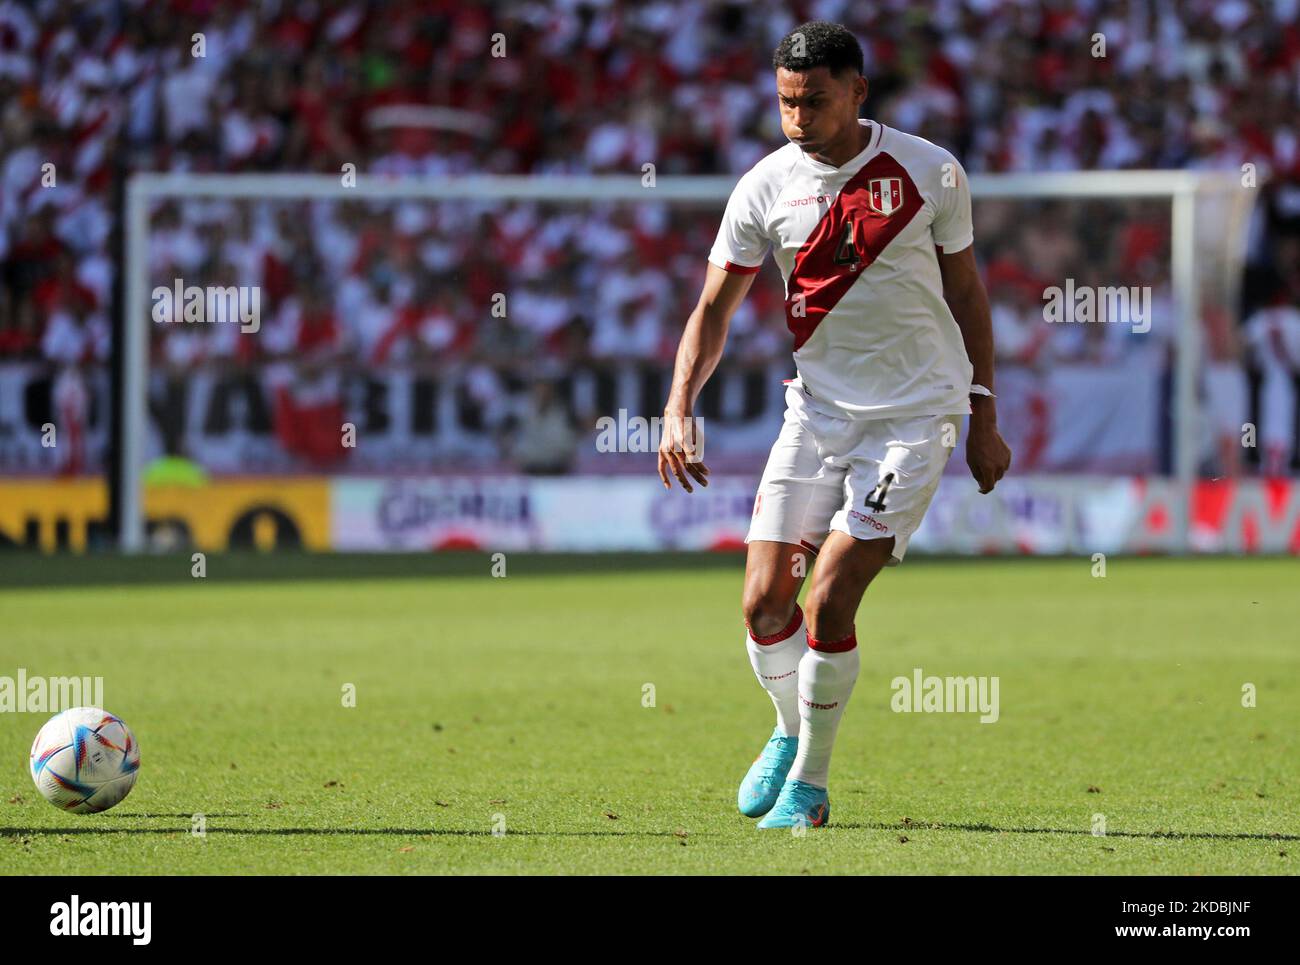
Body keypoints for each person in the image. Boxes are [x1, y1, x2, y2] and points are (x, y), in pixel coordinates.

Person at [657, 21, 1012, 829]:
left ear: (858, 91)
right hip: (816, 415)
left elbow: (968, 296)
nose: (797, 118)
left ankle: (810, 787)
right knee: (760, 607)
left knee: (829, 598)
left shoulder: (929, 171)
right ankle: (789, 731)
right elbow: (713, 310)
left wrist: (983, 410)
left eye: (814, 101)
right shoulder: (761, 187)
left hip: (916, 419)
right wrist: (679, 405)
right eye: (785, 102)